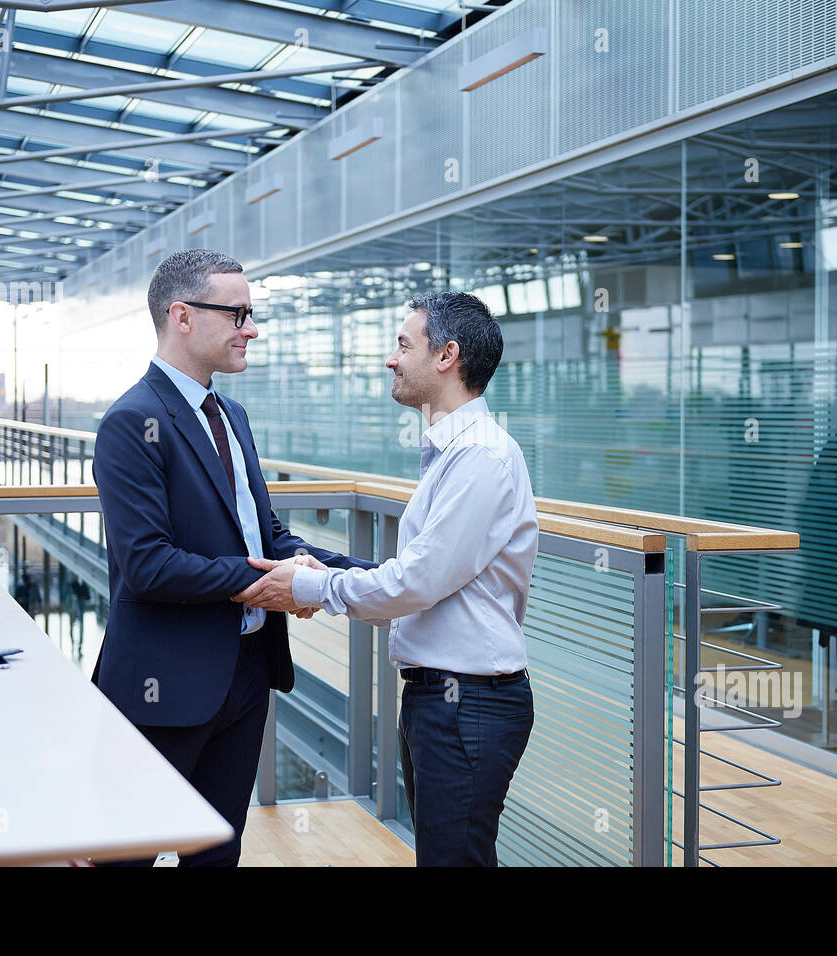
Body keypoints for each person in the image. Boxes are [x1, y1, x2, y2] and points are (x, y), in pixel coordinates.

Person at [90, 248, 374, 867]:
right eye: (238, 313)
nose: (252, 328)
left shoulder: (231, 415)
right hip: (163, 683)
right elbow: (148, 565)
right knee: (125, 857)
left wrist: (358, 574)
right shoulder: (131, 422)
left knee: (218, 854)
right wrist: (266, 583)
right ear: (182, 315)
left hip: (246, 672)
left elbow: (264, 536)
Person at [239, 291, 539, 866]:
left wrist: (309, 588)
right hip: (447, 697)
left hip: (468, 702)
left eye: (404, 344)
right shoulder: (454, 453)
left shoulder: (480, 458)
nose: (390, 359)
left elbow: (416, 583)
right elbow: (416, 575)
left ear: (447, 356)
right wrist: (320, 570)